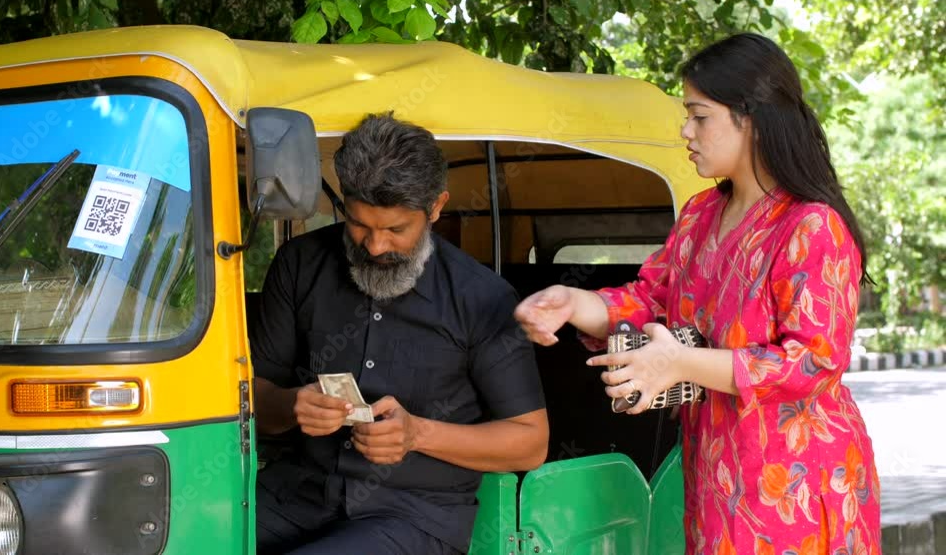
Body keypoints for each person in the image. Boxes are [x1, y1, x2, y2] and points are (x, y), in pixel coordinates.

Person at [515, 33, 880, 554]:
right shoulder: (699, 216)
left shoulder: (811, 226)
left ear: (749, 117)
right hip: (715, 476)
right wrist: (573, 304)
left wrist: (682, 362)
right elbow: (649, 302)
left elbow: (813, 364)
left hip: (798, 483)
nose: (686, 130)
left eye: (699, 115)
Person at [251, 113, 549, 555]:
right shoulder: (299, 265)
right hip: (292, 495)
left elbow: (530, 442)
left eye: (395, 230)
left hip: (413, 516)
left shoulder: (481, 298)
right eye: (358, 224)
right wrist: (291, 405)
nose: (374, 246)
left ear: (435, 207)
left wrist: (418, 435)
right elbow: (250, 395)